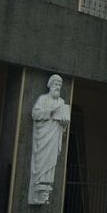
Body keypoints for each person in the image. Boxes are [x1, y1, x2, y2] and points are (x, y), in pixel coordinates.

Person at [28, 74, 70, 205]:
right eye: (55, 84)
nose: (57, 87)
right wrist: (51, 112)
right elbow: (35, 114)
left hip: (54, 136)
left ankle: (46, 188)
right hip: (43, 136)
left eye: (59, 85)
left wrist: (64, 122)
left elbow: (64, 123)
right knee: (41, 161)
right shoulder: (42, 99)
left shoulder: (62, 102)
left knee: (51, 161)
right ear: (50, 85)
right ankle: (37, 186)